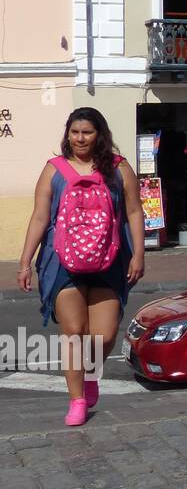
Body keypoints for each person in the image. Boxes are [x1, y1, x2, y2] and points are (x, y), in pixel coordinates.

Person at [17, 108, 145, 427]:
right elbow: (39, 217)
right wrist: (25, 262)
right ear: (67, 134)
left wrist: (139, 253)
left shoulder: (119, 168)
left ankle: (91, 374)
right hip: (62, 262)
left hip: (109, 258)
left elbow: (134, 211)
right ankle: (76, 400)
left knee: (103, 335)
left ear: (99, 134)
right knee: (74, 333)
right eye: (75, 132)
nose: (80, 138)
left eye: (87, 132)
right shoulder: (54, 170)